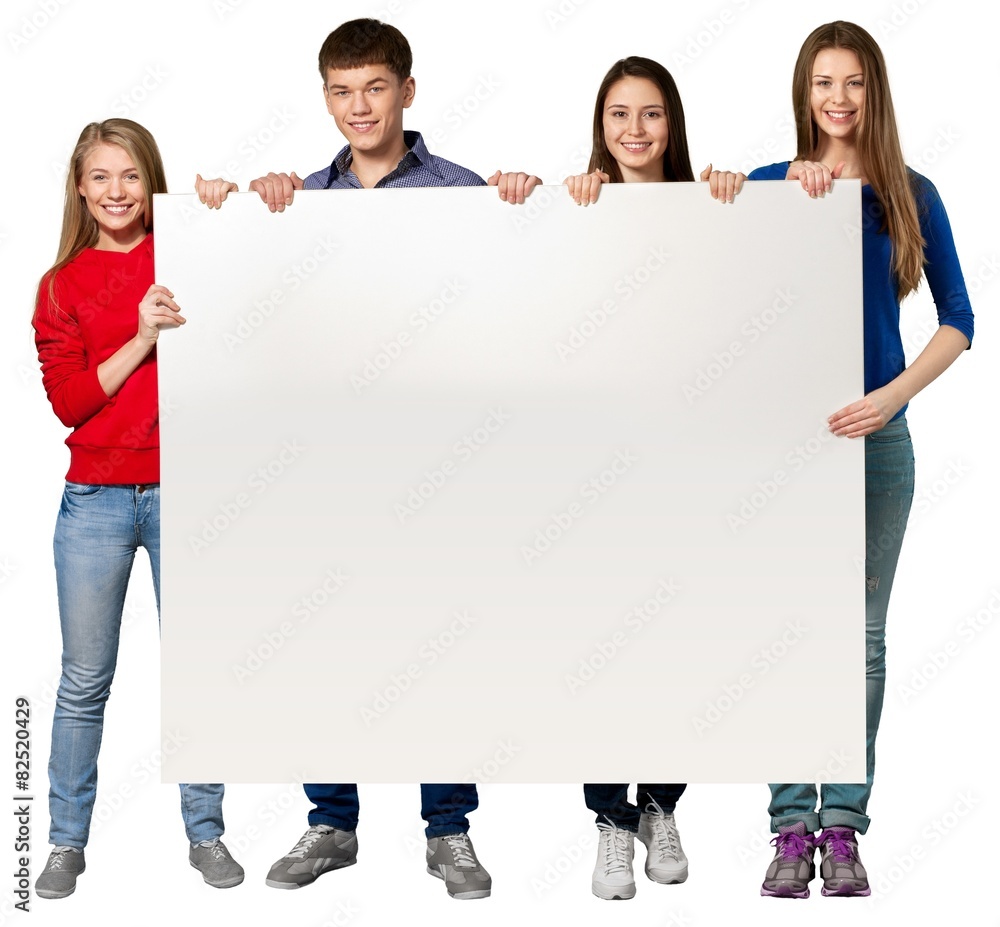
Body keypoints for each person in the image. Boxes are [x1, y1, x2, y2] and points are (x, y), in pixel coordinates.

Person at [196, 18, 500, 900]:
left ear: (407, 90)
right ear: (324, 97)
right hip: (325, 460)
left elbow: (507, 310)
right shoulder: (296, 201)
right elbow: (254, 309)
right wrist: (225, 214)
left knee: (436, 639)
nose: (358, 106)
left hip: (436, 454)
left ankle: (448, 830)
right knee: (324, 637)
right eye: (340, 91)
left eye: (374, 87)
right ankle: (332, 819)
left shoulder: (462, 191)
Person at [748, 21, 974, 899]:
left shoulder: (911, 191)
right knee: (780, 634)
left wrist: (895, 395)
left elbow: (960, 319)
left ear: (874, 92)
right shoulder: (775, 186)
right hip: (778, 448)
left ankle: (841, 827)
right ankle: (786, 827)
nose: (837, 100)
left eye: (853, 84)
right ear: (804, 94)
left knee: (858, 641)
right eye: (821, 84)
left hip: (876, 441)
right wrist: (759, 195)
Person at [535, 56, 742, 900]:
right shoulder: (575, 210)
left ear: (673, 124)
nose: (634, 130)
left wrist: (740, 197)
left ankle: (660, 802)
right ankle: (610, 819)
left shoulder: (715, 207)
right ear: (601, 123)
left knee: (674, 640)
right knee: (596, 641)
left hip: (684, 459)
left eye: (651, 114)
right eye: (619, 113)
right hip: (591, 466)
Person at [32, 118, 243, 899]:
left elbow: (253, 292)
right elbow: (71, 401)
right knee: (84, 679)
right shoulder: (61, 285)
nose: (116, 192)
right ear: (80, 189)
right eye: (101, 178)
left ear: (149, 182)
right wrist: (145, 335)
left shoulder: (183, 253)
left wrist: (222, 207)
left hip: (187, 487)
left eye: (131, 176)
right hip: (94, 500)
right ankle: (64, 841)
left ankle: (207, 832)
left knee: (195, 671)